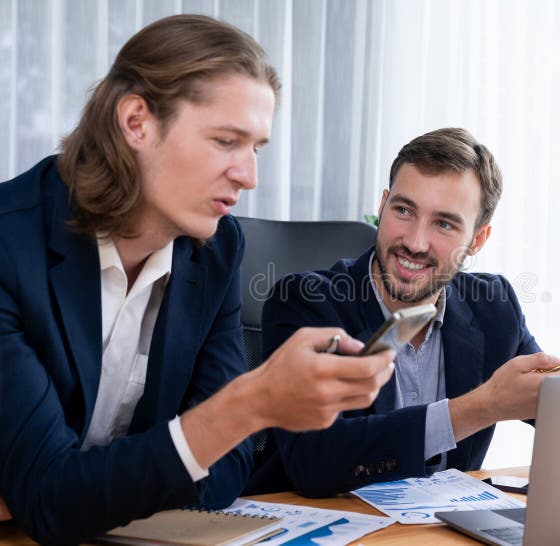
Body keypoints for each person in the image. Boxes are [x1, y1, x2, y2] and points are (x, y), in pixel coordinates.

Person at [0, 15, 394, 544]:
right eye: (226, 141)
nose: (249, 176)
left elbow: (226, 471)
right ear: (137, 122)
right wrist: (249, 405)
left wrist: (80, 487)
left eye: (256, 148)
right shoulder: (9, 247)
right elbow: (50, 502)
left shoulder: (216, 249)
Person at [246, 127, 560, 497]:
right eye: (403, 210)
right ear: (383, 204)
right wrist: (483, 406)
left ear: (478, 239)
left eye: (444, 224)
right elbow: (313, 462)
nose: (415, 241)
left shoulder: (492, 306)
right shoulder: (306, 300)